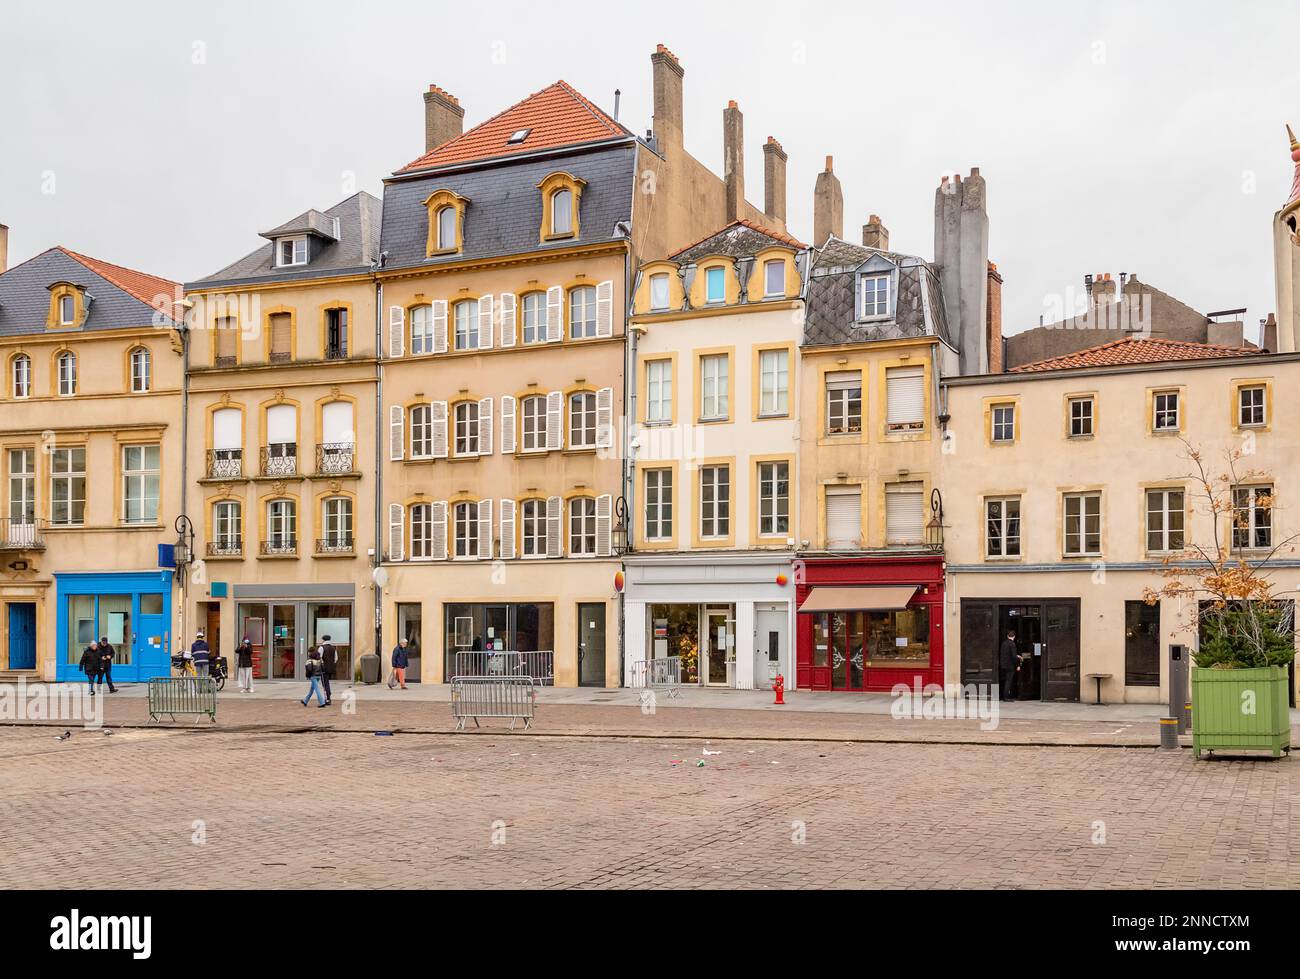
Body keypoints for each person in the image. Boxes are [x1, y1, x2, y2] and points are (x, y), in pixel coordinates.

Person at [999, 629, 1019, 702]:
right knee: (1008, 681)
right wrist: (1017, 665)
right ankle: (1006, 697)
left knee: (1003, 680)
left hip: (1003, 665)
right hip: (1010, 665)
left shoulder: (1004, 643)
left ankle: (1001, 695)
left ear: (1007, 636)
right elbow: (1013, 656)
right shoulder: (1012, 644)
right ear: (1014, 636)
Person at [319, 635, 337, 706]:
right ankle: (328, 697)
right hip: (331, 668)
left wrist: (322, 664)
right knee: (327, 682)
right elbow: (336, 659)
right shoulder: (334, 648)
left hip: (324, 668)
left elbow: (319, 657)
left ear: (323, 640)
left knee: (325, 683)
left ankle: (327, 698)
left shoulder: (321, 647)